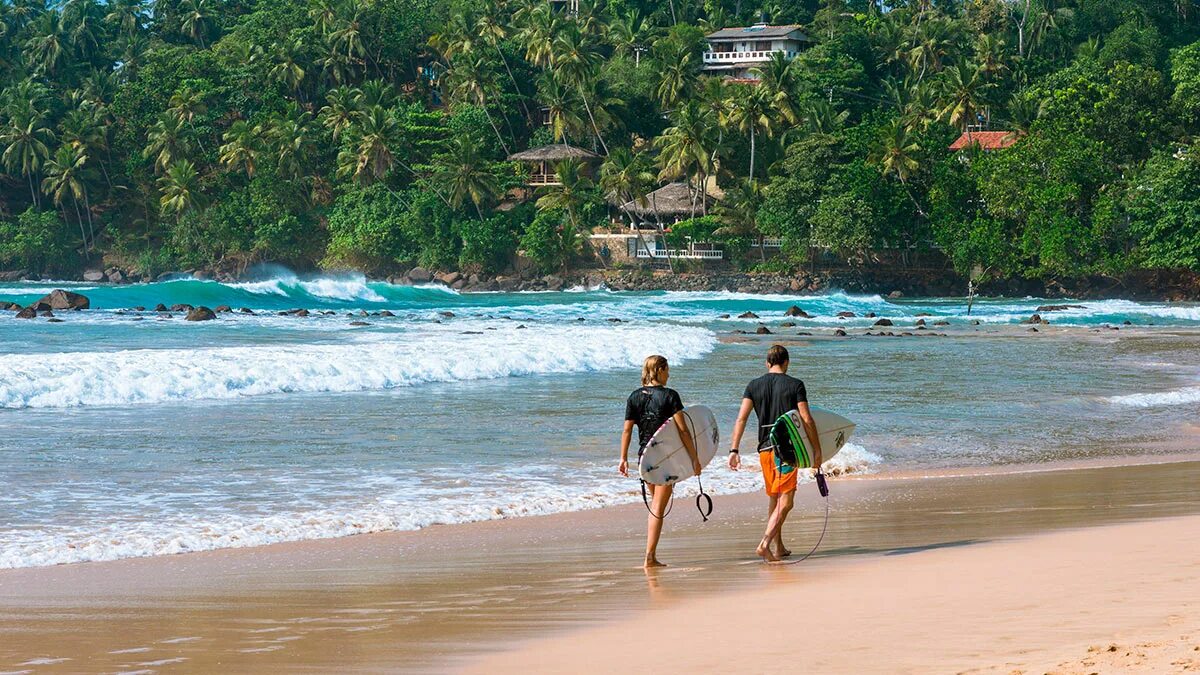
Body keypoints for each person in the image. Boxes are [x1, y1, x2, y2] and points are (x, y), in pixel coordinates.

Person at [728, 345, 823, 563]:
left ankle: (778, 546)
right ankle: (764, 543)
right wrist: (817, 450)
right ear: (787, 362)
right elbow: (807, 419)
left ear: (767, 363)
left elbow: (741, 418)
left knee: (775, 497)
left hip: (764, 450)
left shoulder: (753, 385)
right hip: (786, 453)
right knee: (787, 502)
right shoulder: (795, 384)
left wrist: (734, 449)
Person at [619, 355, 702, 569]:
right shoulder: (670, 396)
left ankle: (652, 554)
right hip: (666, 458)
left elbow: (627, 430)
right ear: (660, 370)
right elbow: (683, 430)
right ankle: (649, 556)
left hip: (645, 457)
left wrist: (623, 458)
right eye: (667, 370)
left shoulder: (634, 397)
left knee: (657, 504)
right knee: (657, 508)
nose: (669, 374)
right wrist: (694, 458)